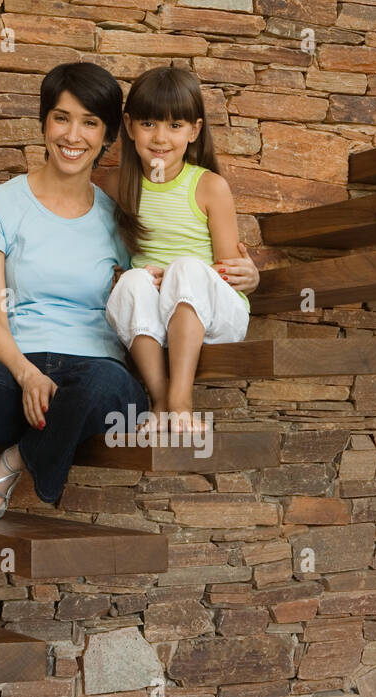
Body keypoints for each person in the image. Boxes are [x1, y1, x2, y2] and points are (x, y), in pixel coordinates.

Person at [0, 61, 260, 625]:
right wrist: (27, 374)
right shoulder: (1, 206)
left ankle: (14, 459)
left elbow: (184, 270)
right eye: (60, 119)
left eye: (88, 123)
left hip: (94, 375)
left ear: (108, 134)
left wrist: (250, 274)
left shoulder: (120, 213)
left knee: (109, 384)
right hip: (16, 368)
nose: (72, 136)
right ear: (44, 123)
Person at [104, 66, 251, 434]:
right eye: (149, 123)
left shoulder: (209, 187)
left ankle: (182, 402)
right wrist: (126, 276)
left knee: (185, 267)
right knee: (135, 280)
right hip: (153, 320)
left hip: (216, 316)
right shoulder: (115, 187)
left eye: (175, 125)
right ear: (129, 125)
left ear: (194, 130)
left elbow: (230, 270)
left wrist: (251, 275)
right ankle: (161, 401)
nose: (160, 137)